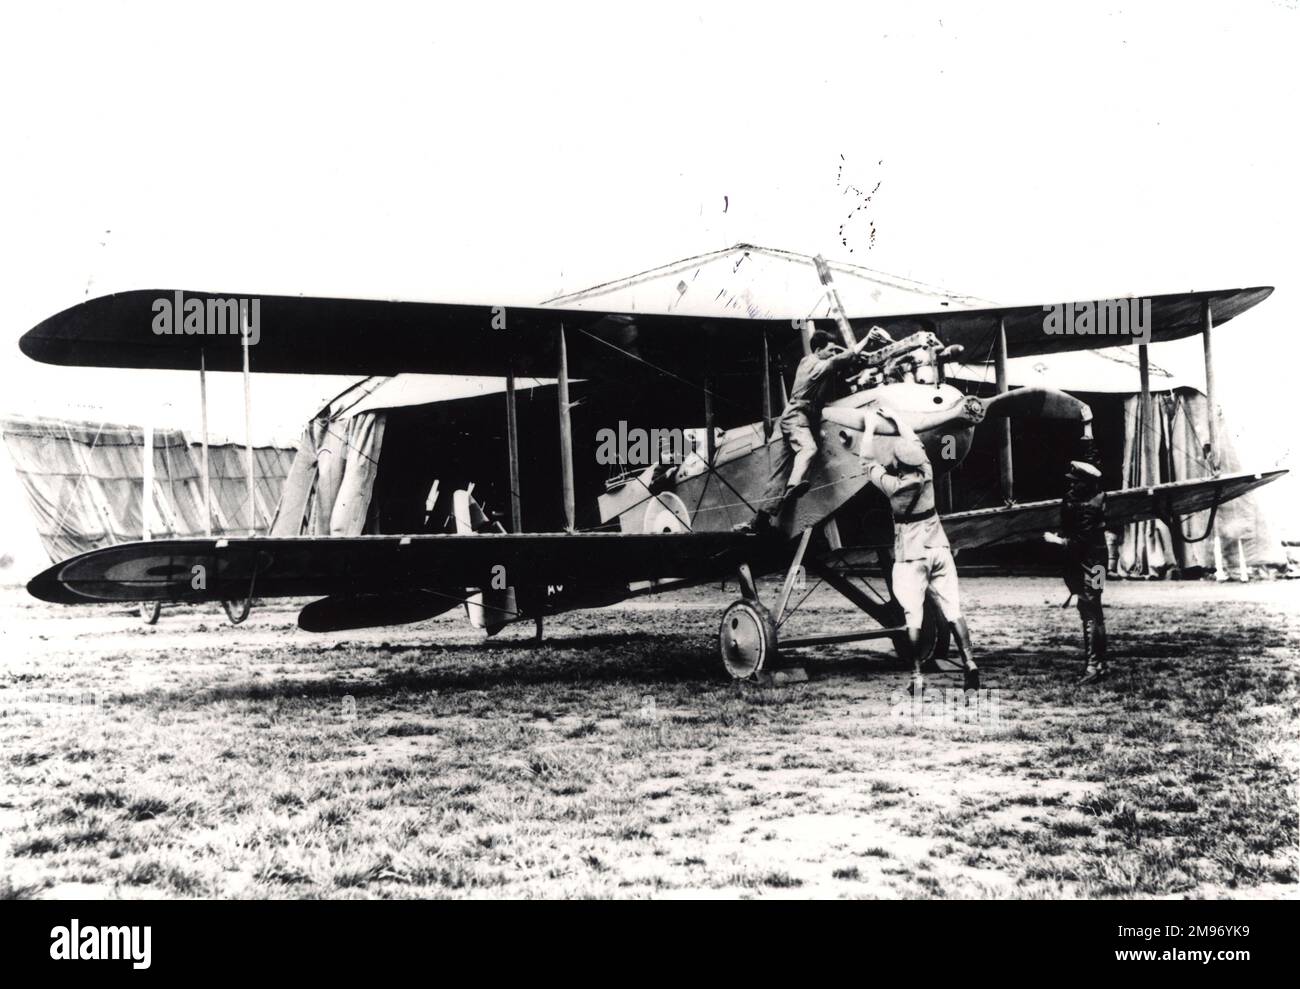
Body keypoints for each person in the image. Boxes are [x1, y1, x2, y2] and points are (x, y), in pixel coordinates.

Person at [860, 410, 978, 695]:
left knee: (912, 617)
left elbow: (866, 461)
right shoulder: (927, 471)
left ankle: (916, 677)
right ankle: (971, 664)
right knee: (953, 610)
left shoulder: (892, 486)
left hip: (911, 555)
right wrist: (898, 419)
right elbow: (915, 442)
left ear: (898, 463)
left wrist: (871, 426)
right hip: (939, 548)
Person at [735, 327, 882, 532]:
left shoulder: (817, 363)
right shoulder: (812, 363)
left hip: (799, 418)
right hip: (797, 416)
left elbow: (837, 360)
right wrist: (866, 340)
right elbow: (836, 360)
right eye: (830, 350)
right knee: (808, 449)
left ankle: (760, 520)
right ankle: (794, 486)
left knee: (780, 471)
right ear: (818, 350)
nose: (833, 353)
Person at [1044, 460, 1109, 684]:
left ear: (1086, 484)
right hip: (1099, 562)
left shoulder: (1087, 508)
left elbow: (1080, 542)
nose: (1071, 487)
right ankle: (1101, 663)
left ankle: (1093, 666)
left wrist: (1057, 541)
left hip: (1089, 564)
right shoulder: (1098, 498)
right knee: (1096, 611)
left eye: (1076, 483)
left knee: (1089, 612)